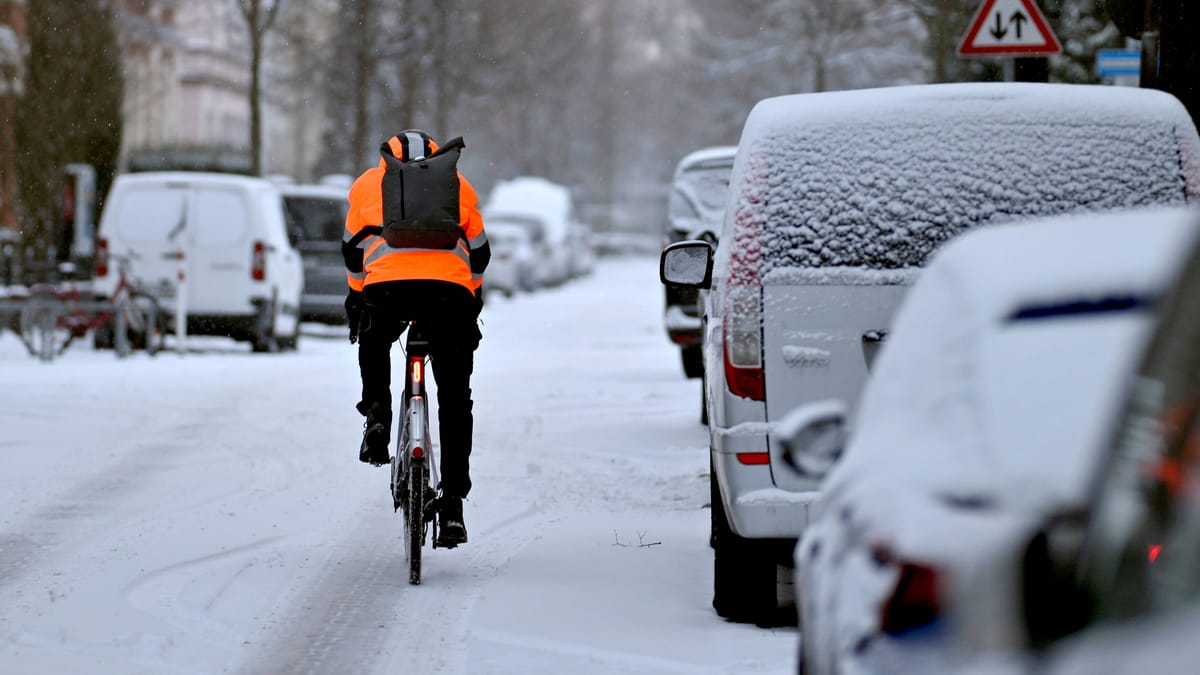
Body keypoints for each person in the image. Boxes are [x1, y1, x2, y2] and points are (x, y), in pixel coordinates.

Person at [342, 129, 489, 547]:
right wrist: (469, 293)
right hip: (448, 297)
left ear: (386, 157)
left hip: (386, 292)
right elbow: (480, 252)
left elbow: (352, 250)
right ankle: (455, 503)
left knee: (375, 340)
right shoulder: (457, 185)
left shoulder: (368, 184)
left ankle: (377, 418)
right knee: (456, 396)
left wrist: (359, 297)